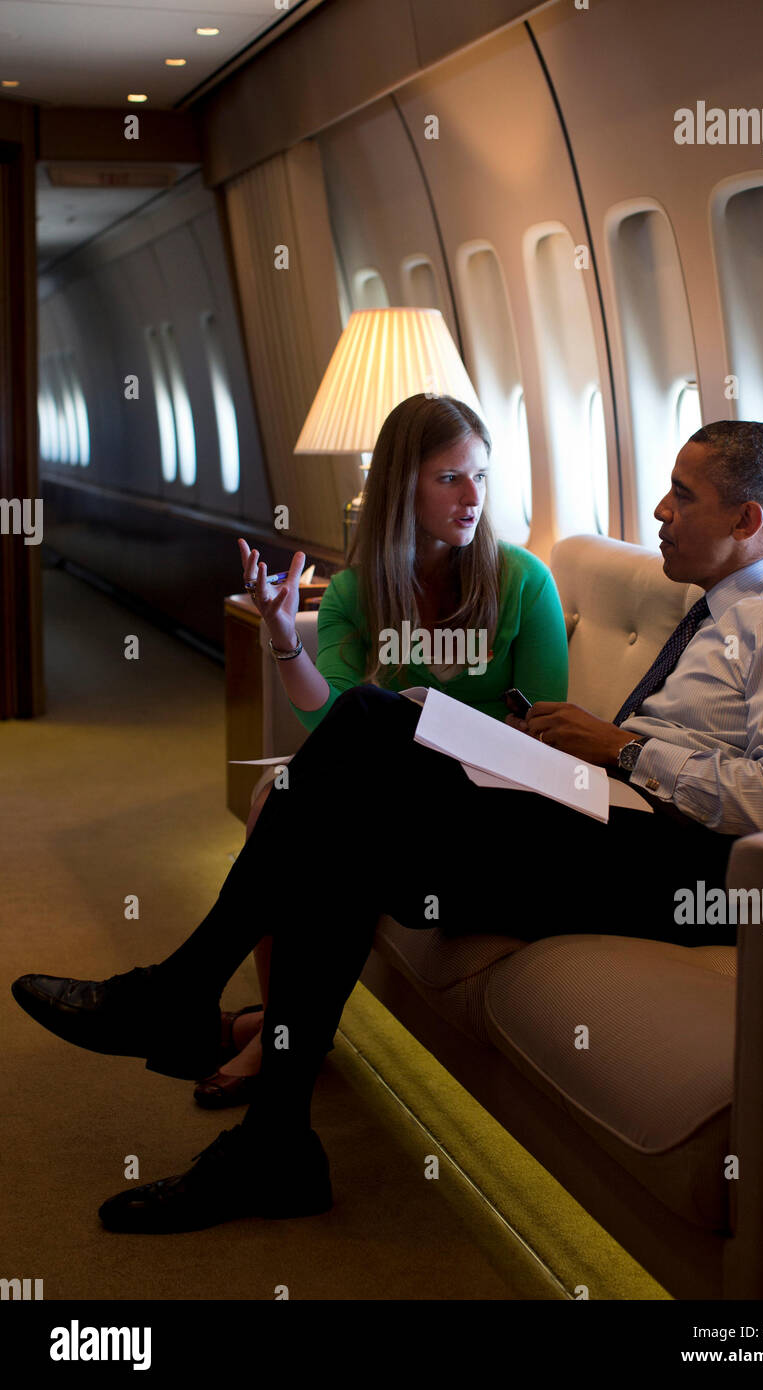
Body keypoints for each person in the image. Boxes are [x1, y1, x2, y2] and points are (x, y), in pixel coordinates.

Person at [11, 420, 763, 1235]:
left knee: (368, 731)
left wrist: (622, 747)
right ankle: (269, 1137)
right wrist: (572, 746)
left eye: (683, 495)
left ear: (748, 521)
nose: (661, 512)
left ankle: (182, 1003)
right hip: (620, 820)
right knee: (344, 828)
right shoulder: (718, 610)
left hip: (697, 877)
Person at [203, 392, 569, 1108]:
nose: (473, 498)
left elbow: (543, 728)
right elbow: (330, 724)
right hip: (394, 786)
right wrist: (283, 639)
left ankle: (268, 1026)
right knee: (278, 792)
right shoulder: (357, 591)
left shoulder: (524, 580)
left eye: (482, 477)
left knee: (318, 807)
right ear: (404, 483)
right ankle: (281, 1029)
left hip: (496, 792)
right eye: (450, 478)